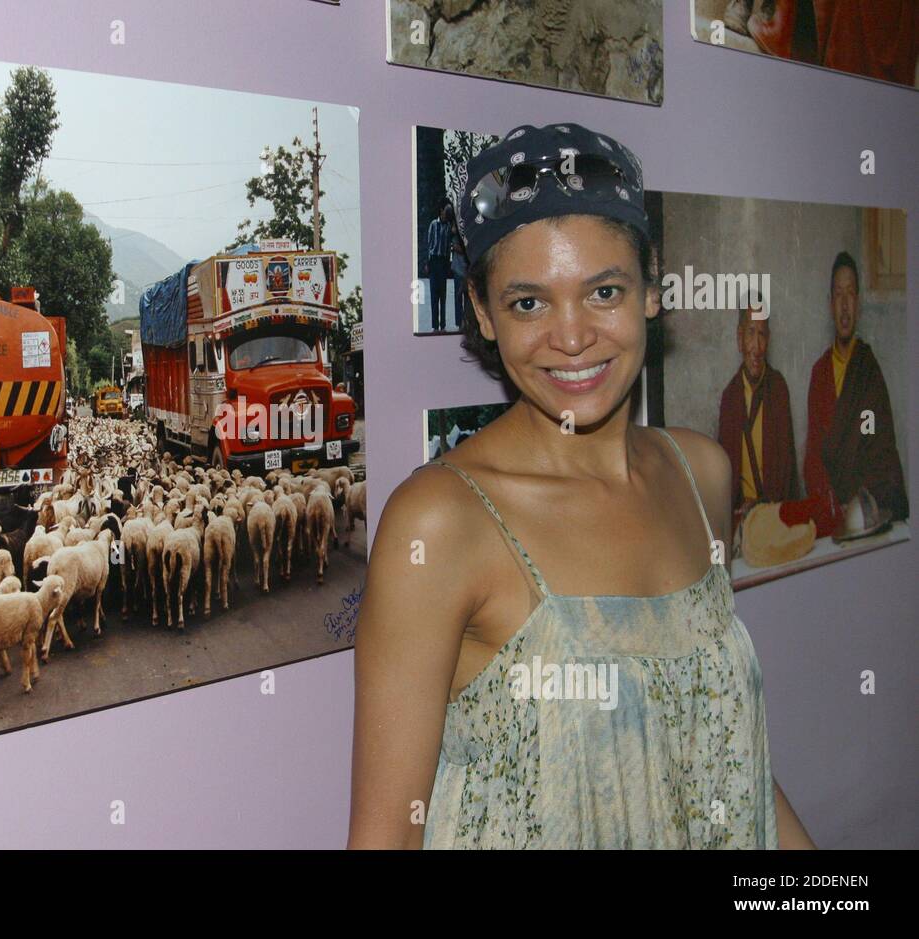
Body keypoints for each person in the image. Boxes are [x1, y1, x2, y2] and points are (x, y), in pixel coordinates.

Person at [348, 123, 813, 849]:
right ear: (481, 312)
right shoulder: (439, 524)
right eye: (528, 302)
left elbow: (726, 762)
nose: (570, 336)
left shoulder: (702, 475)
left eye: (603, 290)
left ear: (652, 288)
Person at [800, 251, 908, 536]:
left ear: (858, 304)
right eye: (838, 295)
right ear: (830, 304)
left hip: (864, 508)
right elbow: (813, 455)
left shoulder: (867, 372)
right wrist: (833, 504)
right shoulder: (819, 372)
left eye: (850, 294)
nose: (845, 306)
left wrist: (859, 501)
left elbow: (875, 442)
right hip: (832, 509)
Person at [717, 299, 801, 533]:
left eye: (762, 334)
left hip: (775, 516)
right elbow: (726, 479)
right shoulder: (730, 398)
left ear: (769, 339)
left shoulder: (778, 389)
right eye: (750, 333)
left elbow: (787, 469)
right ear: (739, 338)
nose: (756, 345)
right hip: (742, 522)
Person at [425, 203, 453, 332]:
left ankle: (443, 326)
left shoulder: (448, 226)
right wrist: (427, 263)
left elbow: (448, 247)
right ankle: (435, 326)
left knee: (443, 295)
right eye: (445, 212)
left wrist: (448, 264)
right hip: (434, 261)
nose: (446, 215)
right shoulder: (433, 224)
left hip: (443, 261)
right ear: (441, 210)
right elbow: (429, 244)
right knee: (434, 295)